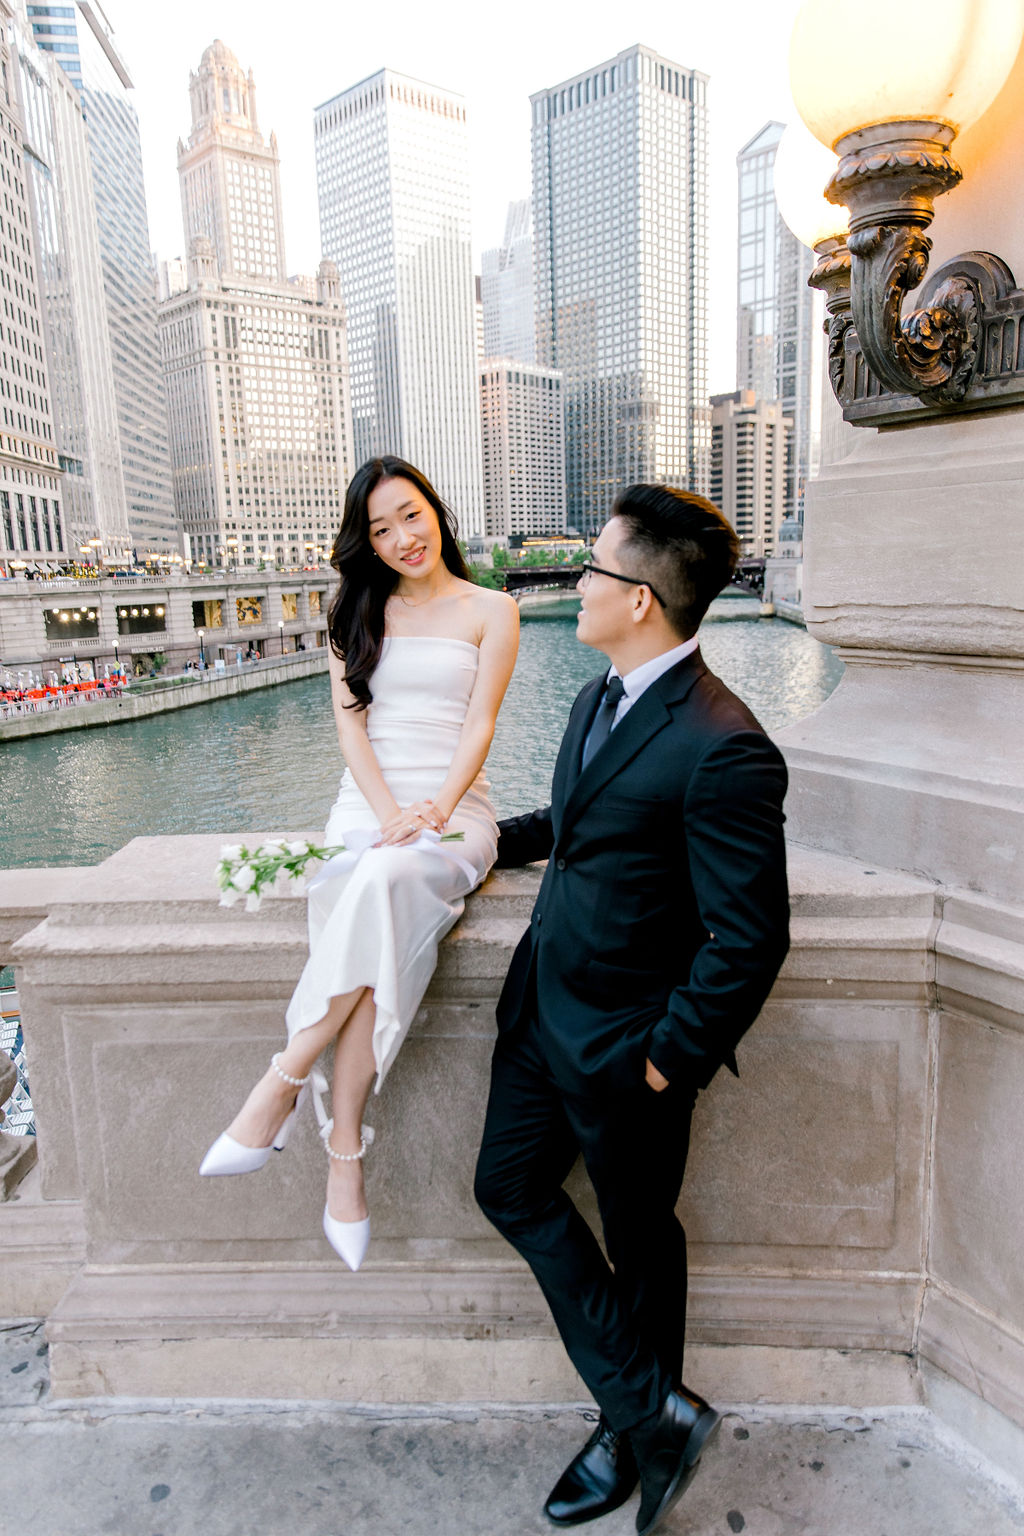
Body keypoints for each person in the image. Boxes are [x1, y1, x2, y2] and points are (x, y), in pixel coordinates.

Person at [474, 485, 790, 1536]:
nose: (577, 582)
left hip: (627, 1052)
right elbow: (580, 823)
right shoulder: (597, 693)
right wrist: (478, 841)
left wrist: (666, 1060)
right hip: (540, 1016)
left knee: (641, 1243)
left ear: (642, 597)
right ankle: (651, 1408)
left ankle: (630, 1429)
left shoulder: (725, 742)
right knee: (507, 1186)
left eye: (593, 567)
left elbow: (750, 939)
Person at [200, 456, 519, 1272]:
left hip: (454, 810)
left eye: (411, 515)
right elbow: (351, 730)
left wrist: (434, 810)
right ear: (366, 543)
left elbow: (479, 726)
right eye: (381, 529)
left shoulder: (494, 609)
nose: (403, 537)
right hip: (367, 807)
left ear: (436, 511)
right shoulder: (353, 610)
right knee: (378, 899)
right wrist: (386, 817)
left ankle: (280, 1083)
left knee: (383, 882)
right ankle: (344, 1148)